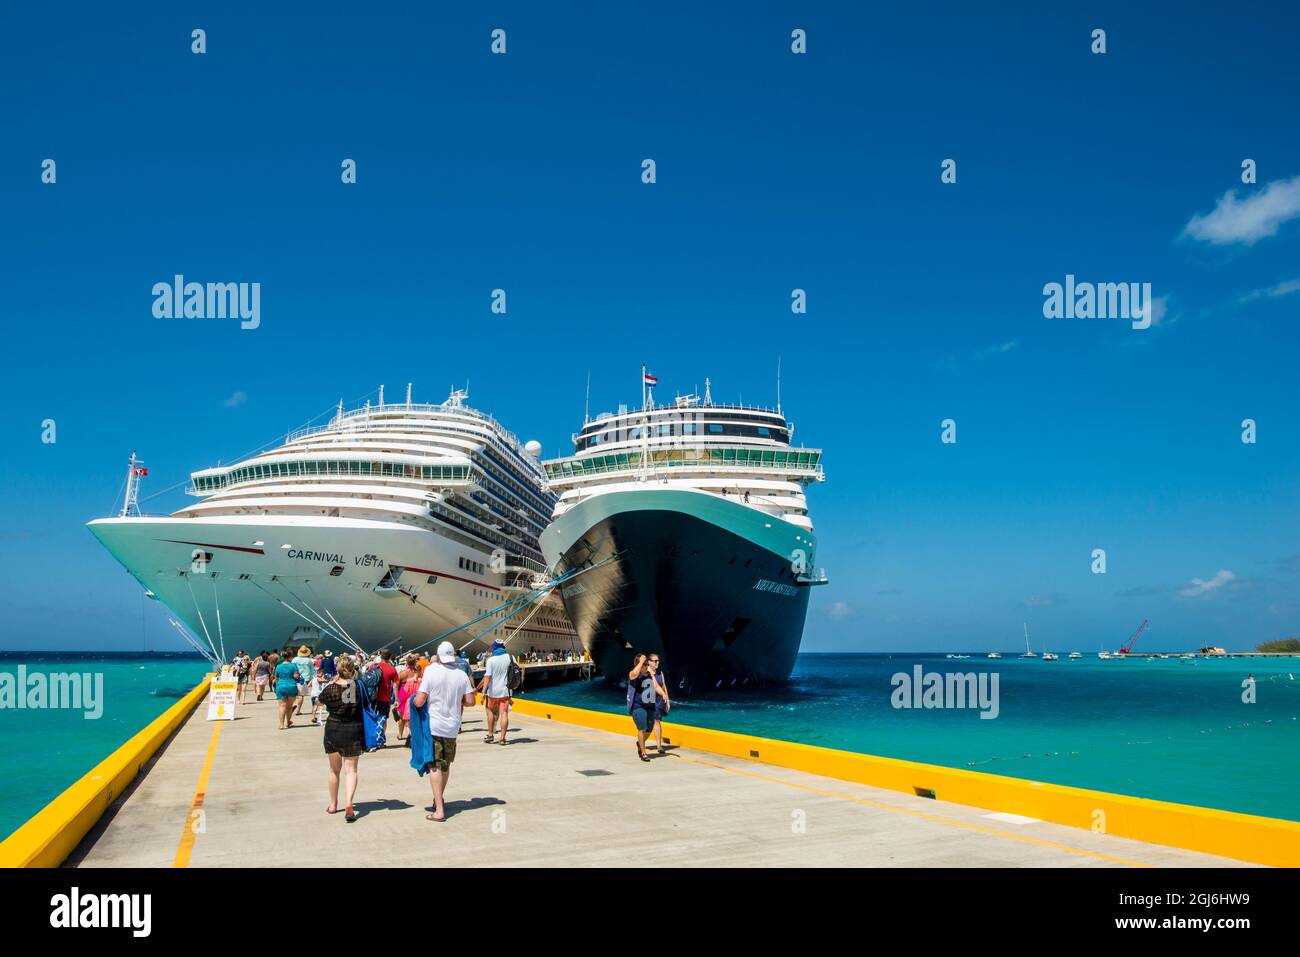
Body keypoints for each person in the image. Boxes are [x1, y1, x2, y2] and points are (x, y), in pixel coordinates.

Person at [411, 641, 476, 822]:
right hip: (452, 727)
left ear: (438, 656)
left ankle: (439, 809)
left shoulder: (431, 671)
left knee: (434, 766)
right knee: (445, 765)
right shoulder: (462, 675)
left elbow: (419, 701)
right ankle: (438, 799)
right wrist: (456, 701)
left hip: (434, 725)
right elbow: (471, 701)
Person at [318, 655, 364, 822]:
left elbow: (319, 701)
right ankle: (349, 803)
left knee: (333, 770)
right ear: (353, 670)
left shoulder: (330, 688)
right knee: (351, 770)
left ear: (338, 670)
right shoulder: (355, 687)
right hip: (352, 729)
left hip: (334, 728)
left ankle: (333, 804)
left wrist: (333, 683)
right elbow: (350, 703)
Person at [479, 638, 513, 745]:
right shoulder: (510, 657)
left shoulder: (491, 660)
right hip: (506, 691)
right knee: (504, 713)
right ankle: (502, 738)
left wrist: (483, 692)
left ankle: (490, 735)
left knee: (490, 712)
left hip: (493, 692)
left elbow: (487, 677)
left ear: (494, 647)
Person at [627, 653, 659, 761]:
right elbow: (633, 675)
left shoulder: (650, 675)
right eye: (645, 664)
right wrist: (641, 662)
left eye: (646, 664)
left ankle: (639, 744)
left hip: (650, 706)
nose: (646, 666)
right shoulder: (634, 675)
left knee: (649, 729)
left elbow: (656, 686)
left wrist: (664, 695)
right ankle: (643, 752)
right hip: (638, 706)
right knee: (642, 728)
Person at [395, 655, 421, 742]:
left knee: (402, 717)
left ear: (407, 662)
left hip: (403, 693)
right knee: (412, 716)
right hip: (414, 693)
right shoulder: (417, 672)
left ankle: (400, 734)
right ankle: (409, 734)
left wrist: (396, 698)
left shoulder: (402, 673)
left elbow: (395, 685)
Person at [274, 654, 303, 729]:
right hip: (291, 686)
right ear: (290, 657)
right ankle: (288, 722)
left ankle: (281, 725)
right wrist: (299, 674)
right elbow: (296, 676)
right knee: (289, 707)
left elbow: (276, 678)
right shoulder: (293, 666)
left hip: (281, 686)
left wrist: (277, 686)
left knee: (282, 706)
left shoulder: (279, 666)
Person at [649, 656, 671, 754]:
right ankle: (641, 742)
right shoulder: (646, 672)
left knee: (657, 722)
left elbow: (663, 686)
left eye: (658, 660)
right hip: (648, 700)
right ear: (649, 662)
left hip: (659, 700)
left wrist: (667, 700)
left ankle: (659, 746)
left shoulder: (660, 673)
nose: (657, 662)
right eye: (655, 661)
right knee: (648, 724)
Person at [374, 648, 399, 730]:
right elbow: (395, 685)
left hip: (373, 697)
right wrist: (396, 699)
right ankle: (381, 738)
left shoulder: (373, 667)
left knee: (373, 718)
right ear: (390, 657)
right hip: (385, 698)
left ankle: (373, 738)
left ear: (381, 656)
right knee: (383, 719)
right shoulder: (392, 669)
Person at [292, 645, 314, 716]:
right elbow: (311, 671)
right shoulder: (309, 661)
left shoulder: (295, 659)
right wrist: (311, 680)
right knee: (301, 695)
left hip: (295, 677)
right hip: (305, 679)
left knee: (294, 693)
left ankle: (294, 703)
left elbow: (292, 668)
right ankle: (298, 710)